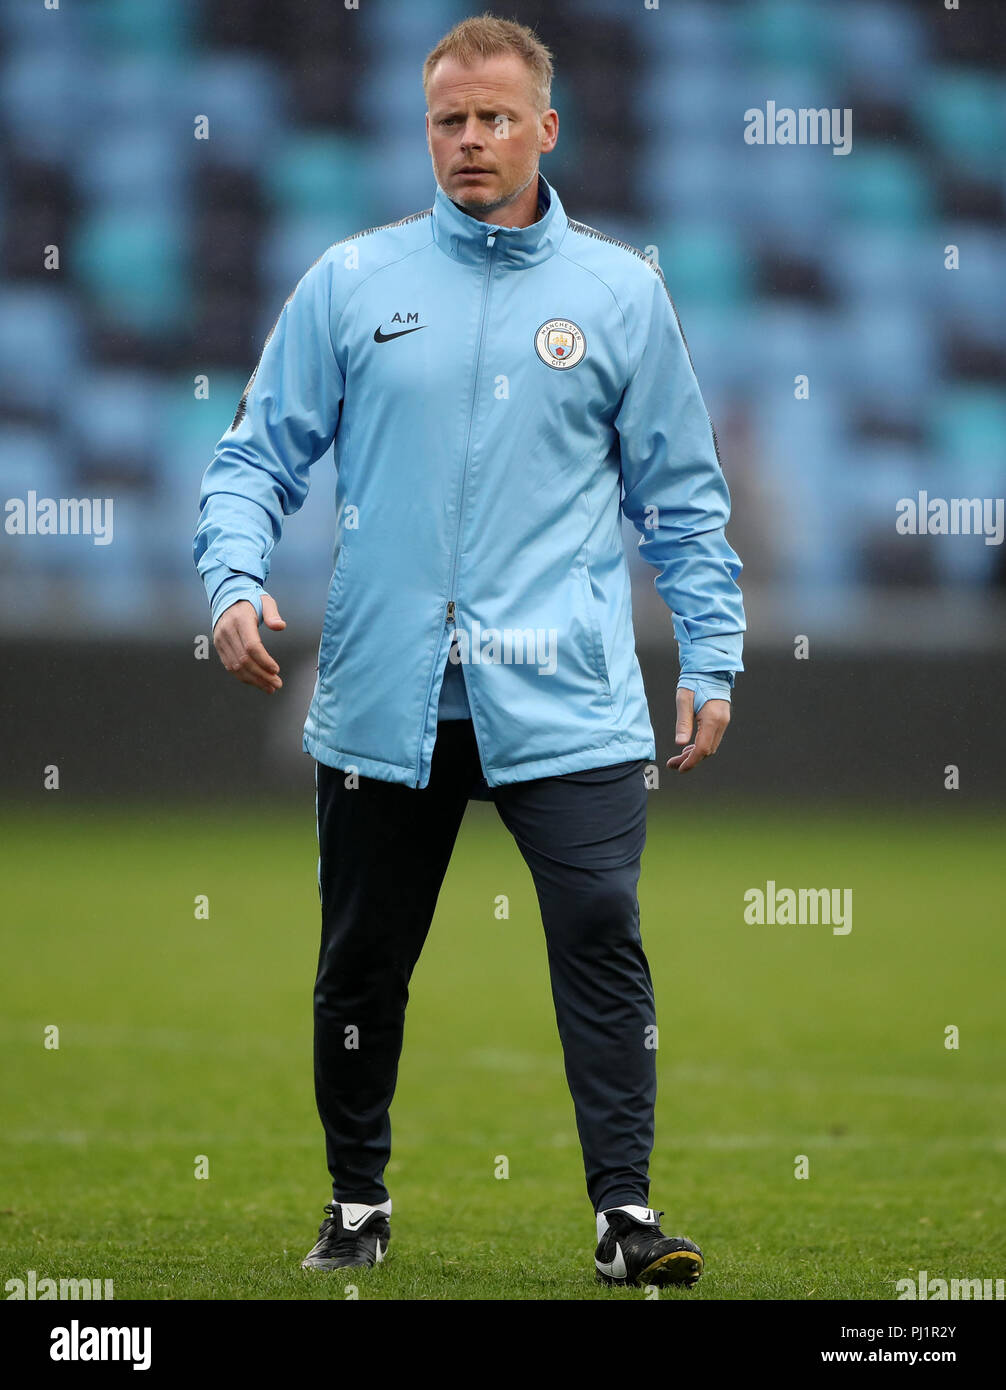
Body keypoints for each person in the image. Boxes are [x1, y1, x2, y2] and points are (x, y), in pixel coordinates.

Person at [193, 13, 745, 1290]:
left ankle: (624, 1212)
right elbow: (251, 461)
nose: (472, 139)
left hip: (566, 693)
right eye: (450, 119)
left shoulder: (620, 293)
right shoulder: (349, 282)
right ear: (424, 129)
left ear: (546, 129)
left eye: (497, 118)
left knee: (602, 926)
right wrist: (229, 584)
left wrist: (709, 657)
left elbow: (684, 499)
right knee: (360, 964)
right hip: (388, 695)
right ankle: (356, 1201)